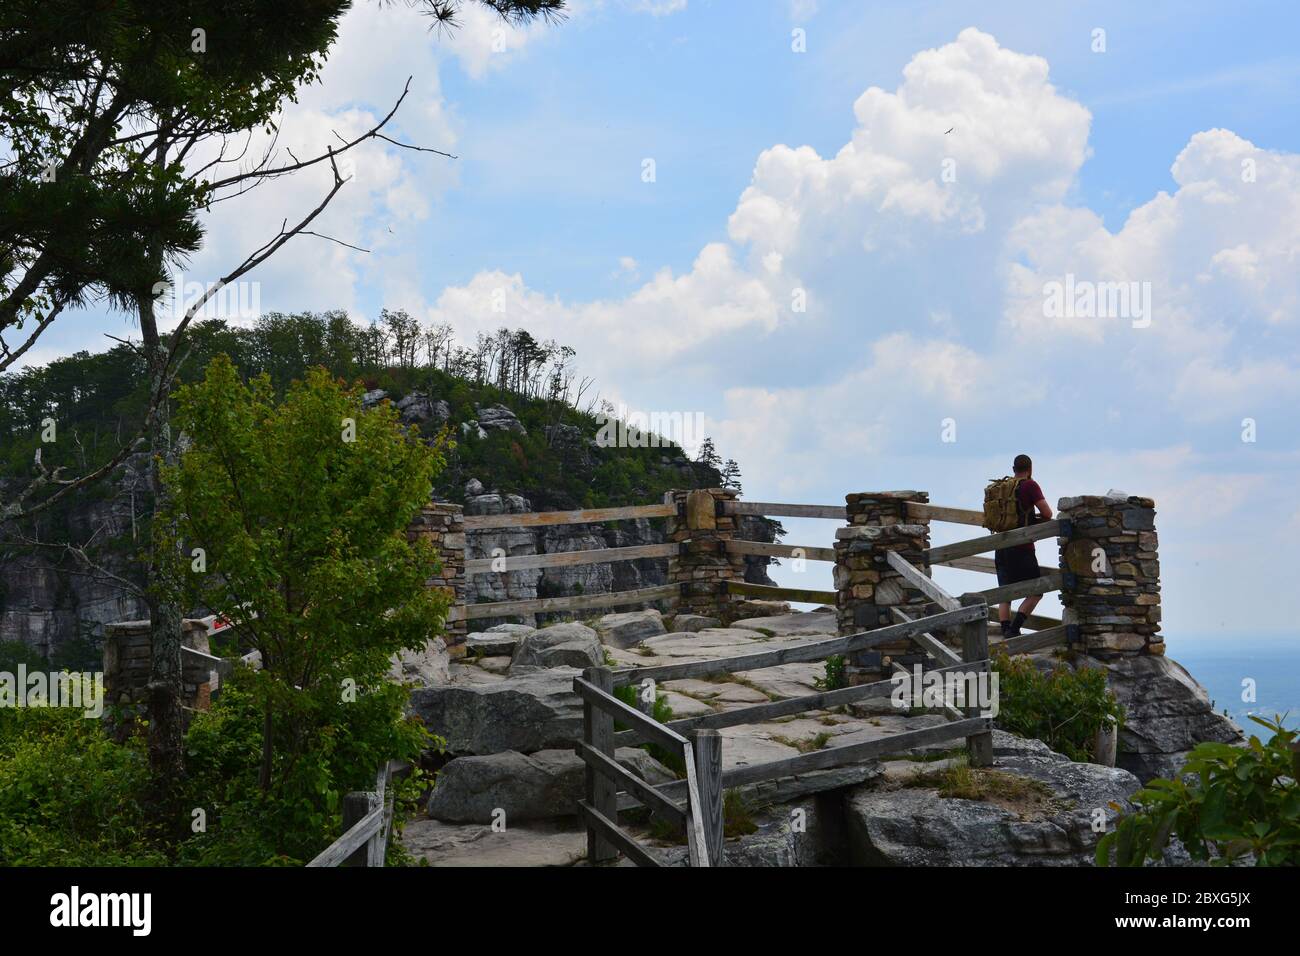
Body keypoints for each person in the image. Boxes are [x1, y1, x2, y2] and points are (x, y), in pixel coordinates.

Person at [994, 454, 1052, 637]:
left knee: (1005, 593)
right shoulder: (1030, 485)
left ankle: (1004, 630)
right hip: (1022, 548)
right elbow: (1048, 513)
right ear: (1030, 469)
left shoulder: (1004, 487)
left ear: (1013, 470)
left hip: (1000, 547)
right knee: (1037, 591)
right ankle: (1014, 628)